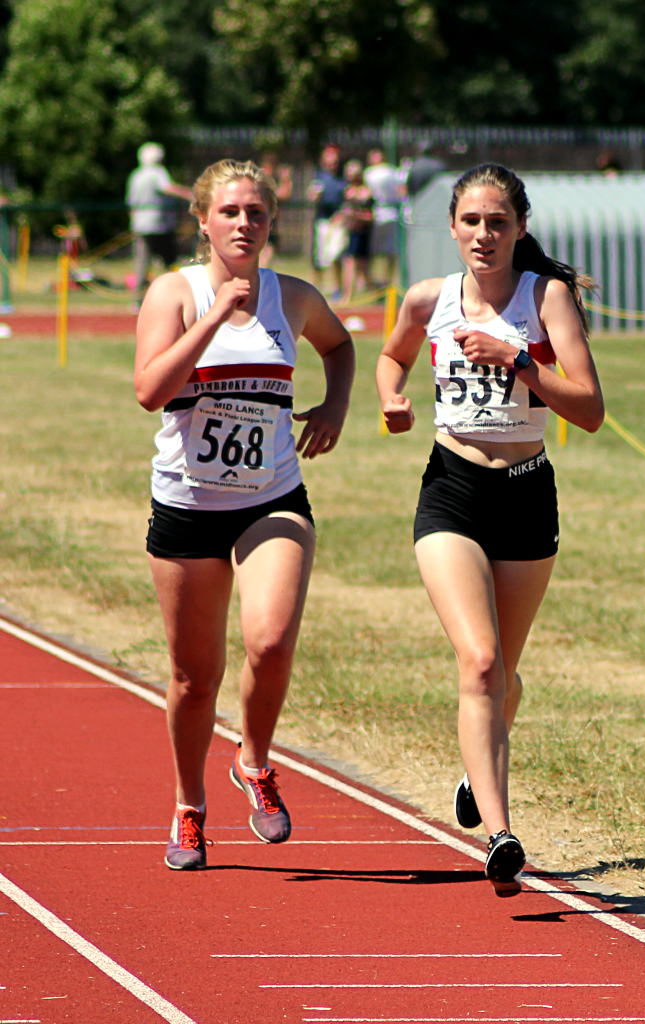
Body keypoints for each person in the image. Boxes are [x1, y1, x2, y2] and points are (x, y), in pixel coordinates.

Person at [376, 164, 604, 897]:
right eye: (471, 222)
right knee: (478, 662)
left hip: (527, 496)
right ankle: (502, 834)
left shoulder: (548, 299)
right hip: (453, 491)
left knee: (502, 674)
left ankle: (479, 767)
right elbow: (392, 353)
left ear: (520, 228)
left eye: (498, 222)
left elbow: (591, 407)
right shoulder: (428, 299)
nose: (484, 235)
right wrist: (392, 398)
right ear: (452, 227)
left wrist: (520, 360)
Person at [134, 159, 355, 871]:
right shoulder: (174, 292)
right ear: (202, 220)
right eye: (229, 212)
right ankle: (189, 806)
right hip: (189, 503)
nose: (244, 224)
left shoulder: (292, 298)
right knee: (195, 678)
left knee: (270, 642)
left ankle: (253, 758)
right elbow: (149, 390)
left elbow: (341, 345)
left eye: (256, 213)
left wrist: (336, 404)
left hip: (272, 497)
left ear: (271, 224)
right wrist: (211, 320)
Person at [126, 142, 193, 305]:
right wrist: (190, 194)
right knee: (170, 262)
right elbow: (167, 187)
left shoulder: (136, 175)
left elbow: (130, 202)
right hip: (160, 226)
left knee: (142, 264)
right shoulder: (158, 172)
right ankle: (176, 297)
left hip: (140, 226)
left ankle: (138, 301)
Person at [307, 145, 347, 298]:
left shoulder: (342, 178)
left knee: (336, 255)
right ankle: (316, 289)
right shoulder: (319, 177)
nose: (333, 163)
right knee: (320, 257)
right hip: (322, 221)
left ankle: (339, 289)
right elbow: (311, 196)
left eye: (335, 160)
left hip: (338, 222)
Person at [363, 148, 402, 285]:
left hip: (377, 213)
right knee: (390, 251)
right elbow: (401, 191)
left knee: (373, 251)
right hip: (391, 213)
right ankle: (386, 280)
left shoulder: (369, 173)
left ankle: (374, 282)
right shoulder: (394, 172)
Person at [340, 159, 374, 305]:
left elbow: (370, 216)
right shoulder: (347, 191)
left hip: (362, 232)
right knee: (352, 263)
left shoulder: (366, 192)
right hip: (350, 232)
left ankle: (351, 295)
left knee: (359, 266)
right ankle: (349, 295)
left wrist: (355, 214)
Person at [258, 153, 293, 268]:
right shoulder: (261, 183)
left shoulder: (270, 182)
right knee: (266, 253)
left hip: (271, 224)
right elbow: (283, 194)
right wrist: (286, 179)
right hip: (261, 223)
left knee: (268, 252)